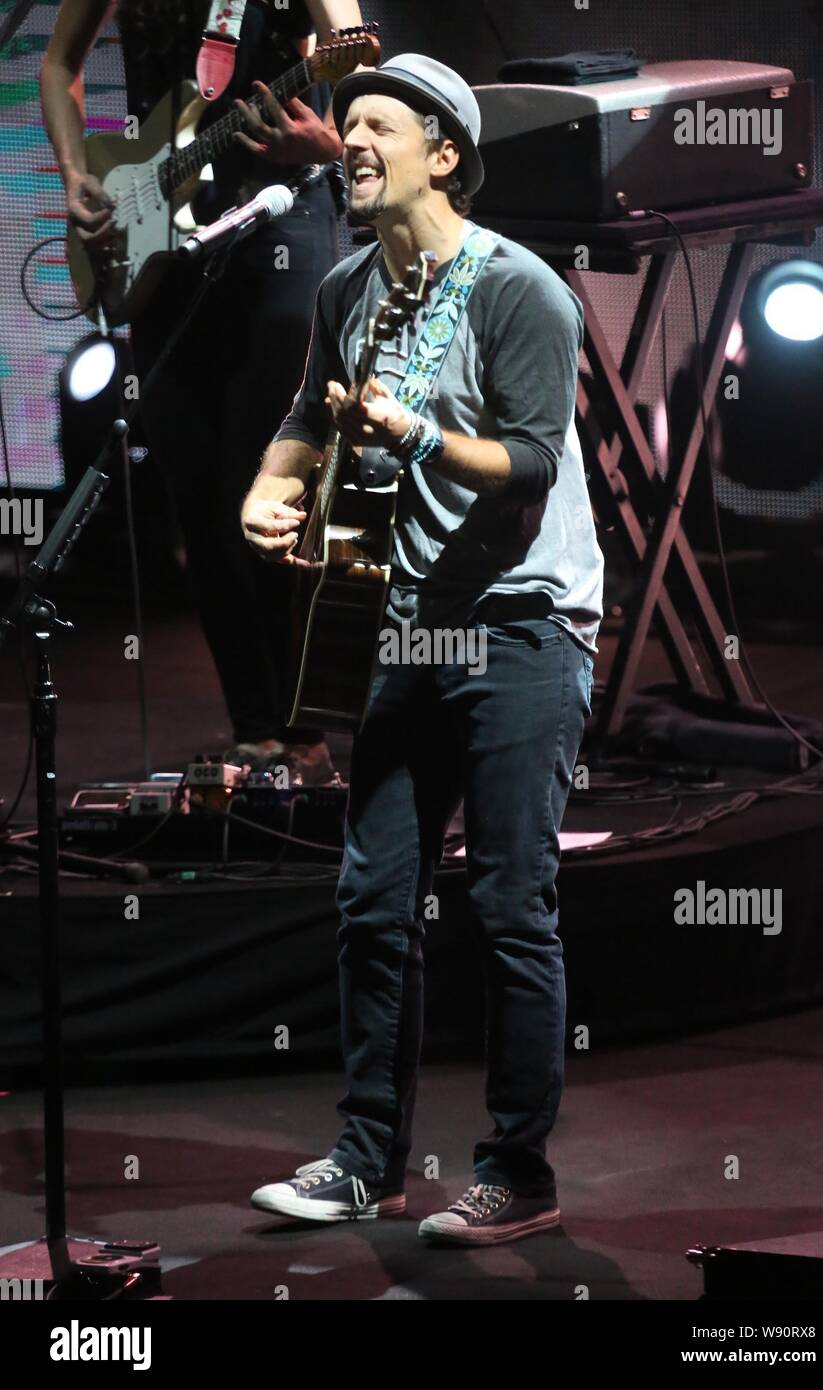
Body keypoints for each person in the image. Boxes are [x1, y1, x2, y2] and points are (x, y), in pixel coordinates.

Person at [242, 54, 604, 1246]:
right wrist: (268, 489)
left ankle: (518, 1171)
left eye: (376, 125)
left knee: (508, 901)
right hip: (410, 621)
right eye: (344, 127)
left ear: (442, 153)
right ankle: (366, 1159)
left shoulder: (520, 289)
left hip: (522, 620)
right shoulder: (350, 287)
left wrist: (419, 432)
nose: (349, 141)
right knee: (370, 901)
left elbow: (533, 461)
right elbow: (307, 413)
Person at [40, 0, 368, 781]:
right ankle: (255, 729)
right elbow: (58, 64)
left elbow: (364, 70)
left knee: (281, 483)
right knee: (200, 495)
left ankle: (307, 730)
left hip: (282, 223)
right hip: (157, 224)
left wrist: (332, 143)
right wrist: (79, 177)